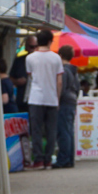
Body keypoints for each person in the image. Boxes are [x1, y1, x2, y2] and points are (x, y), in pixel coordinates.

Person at [24, 29, 62, 169]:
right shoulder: (56, 58)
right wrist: (57, 98)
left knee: (36, 130)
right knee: (51, 130)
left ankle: (38, 159)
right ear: (49, 41)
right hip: (51, 98)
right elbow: (59, 81)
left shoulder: (30, 58)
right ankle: (48, 160)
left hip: (36, 97)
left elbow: (31, 76)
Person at [54, 45, 80, 167]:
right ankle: (69, 159)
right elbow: (78, 89)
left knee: (63, 131)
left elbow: (61, 88)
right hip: (72, 101)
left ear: (60, 56)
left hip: (64, 102)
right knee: (69, 131)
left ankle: (63, 159)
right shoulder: (74, 71)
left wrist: (57, 101)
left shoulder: (63, 71)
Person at [7, 33, 34, 110]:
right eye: (31, 47)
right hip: (21, 100)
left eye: (35, 47)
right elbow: (10, 77)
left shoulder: (42, 61)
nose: (33, 50)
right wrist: (17, 81)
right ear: (26, 47)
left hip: (37, 101)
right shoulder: (19, 60)